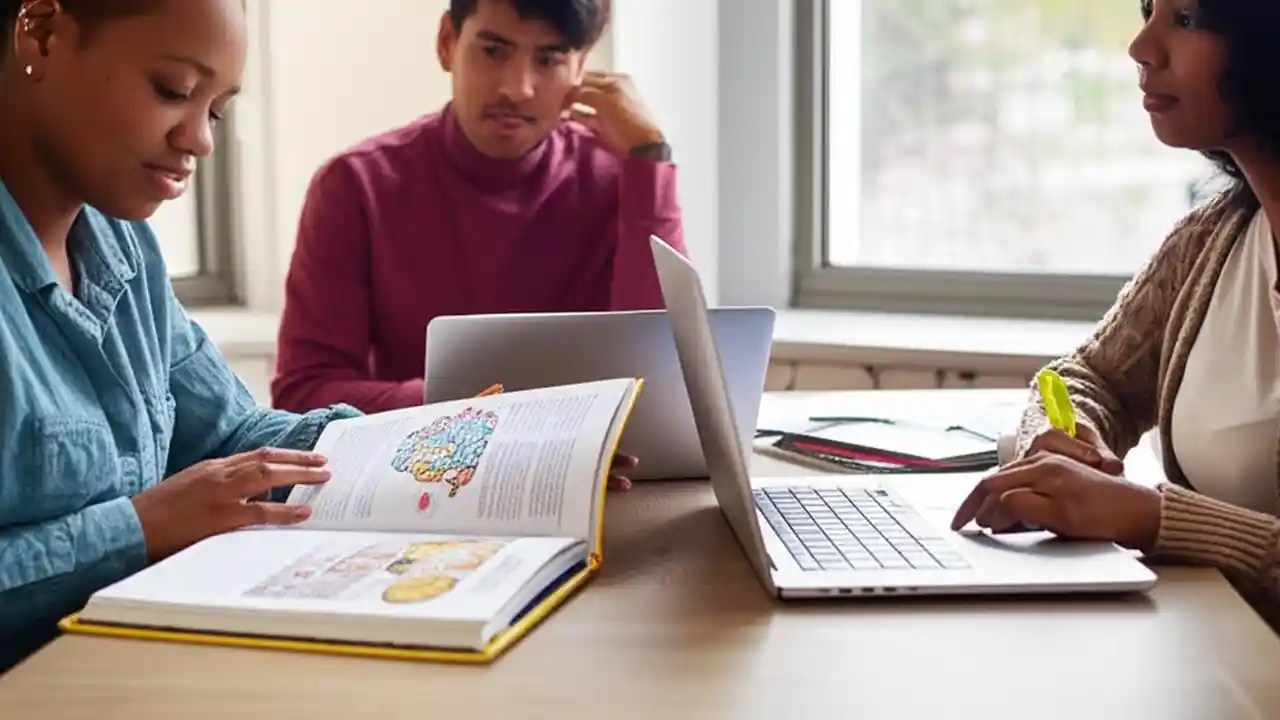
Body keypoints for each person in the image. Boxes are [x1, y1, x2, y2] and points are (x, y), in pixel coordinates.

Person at [0, 0, 364, 671]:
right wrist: (137, 529)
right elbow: (166, 512)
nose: (200, 140)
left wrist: (478, 443)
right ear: (42, 32)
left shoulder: (124, 243)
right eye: (174, 92)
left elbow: (233, 438)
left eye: (217, 109)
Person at [951, 0, 1280, 629]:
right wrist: (1070, 441)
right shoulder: (1216, 239)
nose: (1141, 48)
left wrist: (1150, 517)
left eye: (1186, 21)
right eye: (1150, 9)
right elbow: (1087, 377)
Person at [271, 0, 687, 415]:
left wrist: (650, 162)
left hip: (606, 472)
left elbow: (667, 382)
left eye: (548, 60)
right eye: (493, 51)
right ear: (447, 42)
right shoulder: (356, 186)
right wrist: (479, 403)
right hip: (420, 468)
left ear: (581, 68)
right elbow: (304, 392)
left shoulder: (620, 179)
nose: (517, 88)